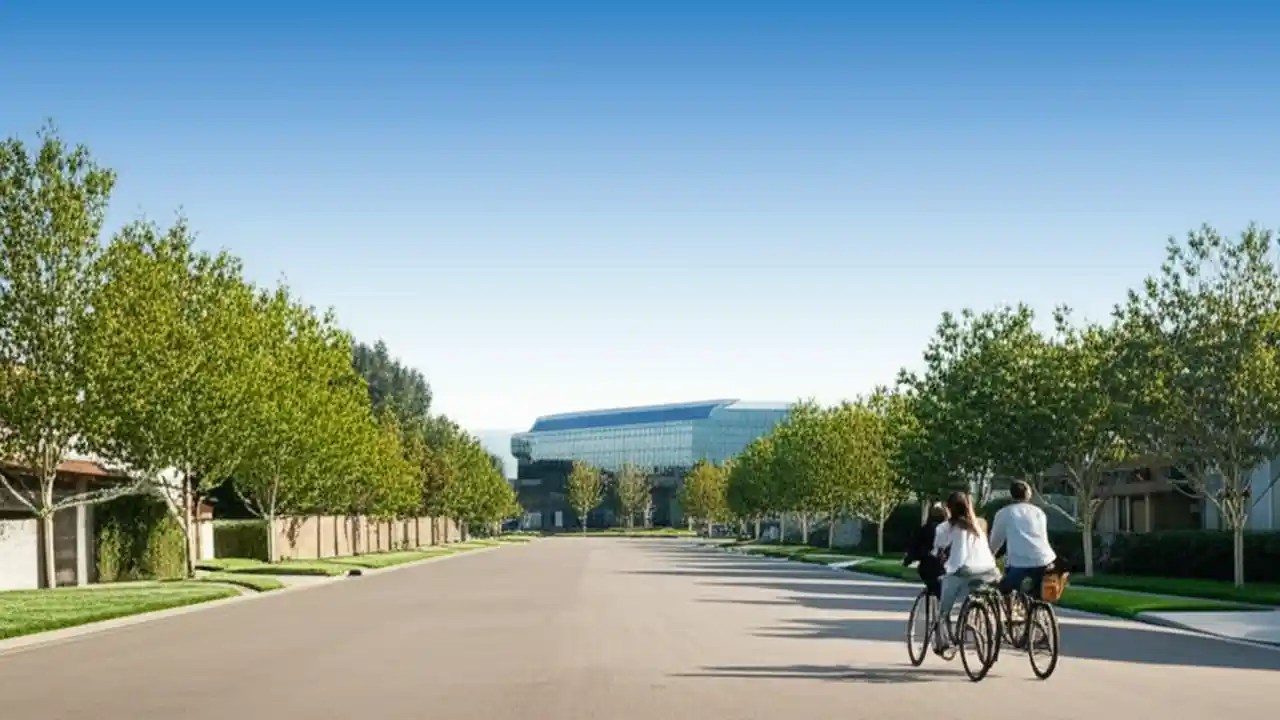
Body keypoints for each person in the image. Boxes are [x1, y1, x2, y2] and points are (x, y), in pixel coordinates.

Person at [934, 491, 1000, 652]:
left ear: (949, 508)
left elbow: (939, 546)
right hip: (989, 570)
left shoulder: (947, 527)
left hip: (964, 569)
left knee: (944, 607)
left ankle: (941, 640)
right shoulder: (978, 525)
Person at [989, 480, 1057, 601]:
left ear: (1011, 494)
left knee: (1004, 591)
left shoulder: (1004, 513)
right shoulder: (1039, 512)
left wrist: (990, 556)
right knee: (1038, 595)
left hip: (1018, 564)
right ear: (1028, 494)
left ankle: (1011, 610)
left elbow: (995, 541)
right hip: (1045, 560)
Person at [903, 503, 948, 597]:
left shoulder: (925, 529)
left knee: (934, 583)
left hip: (927, 568)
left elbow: (914, 546)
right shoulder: (950, 530)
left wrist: (908, 560)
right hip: (944, 567)